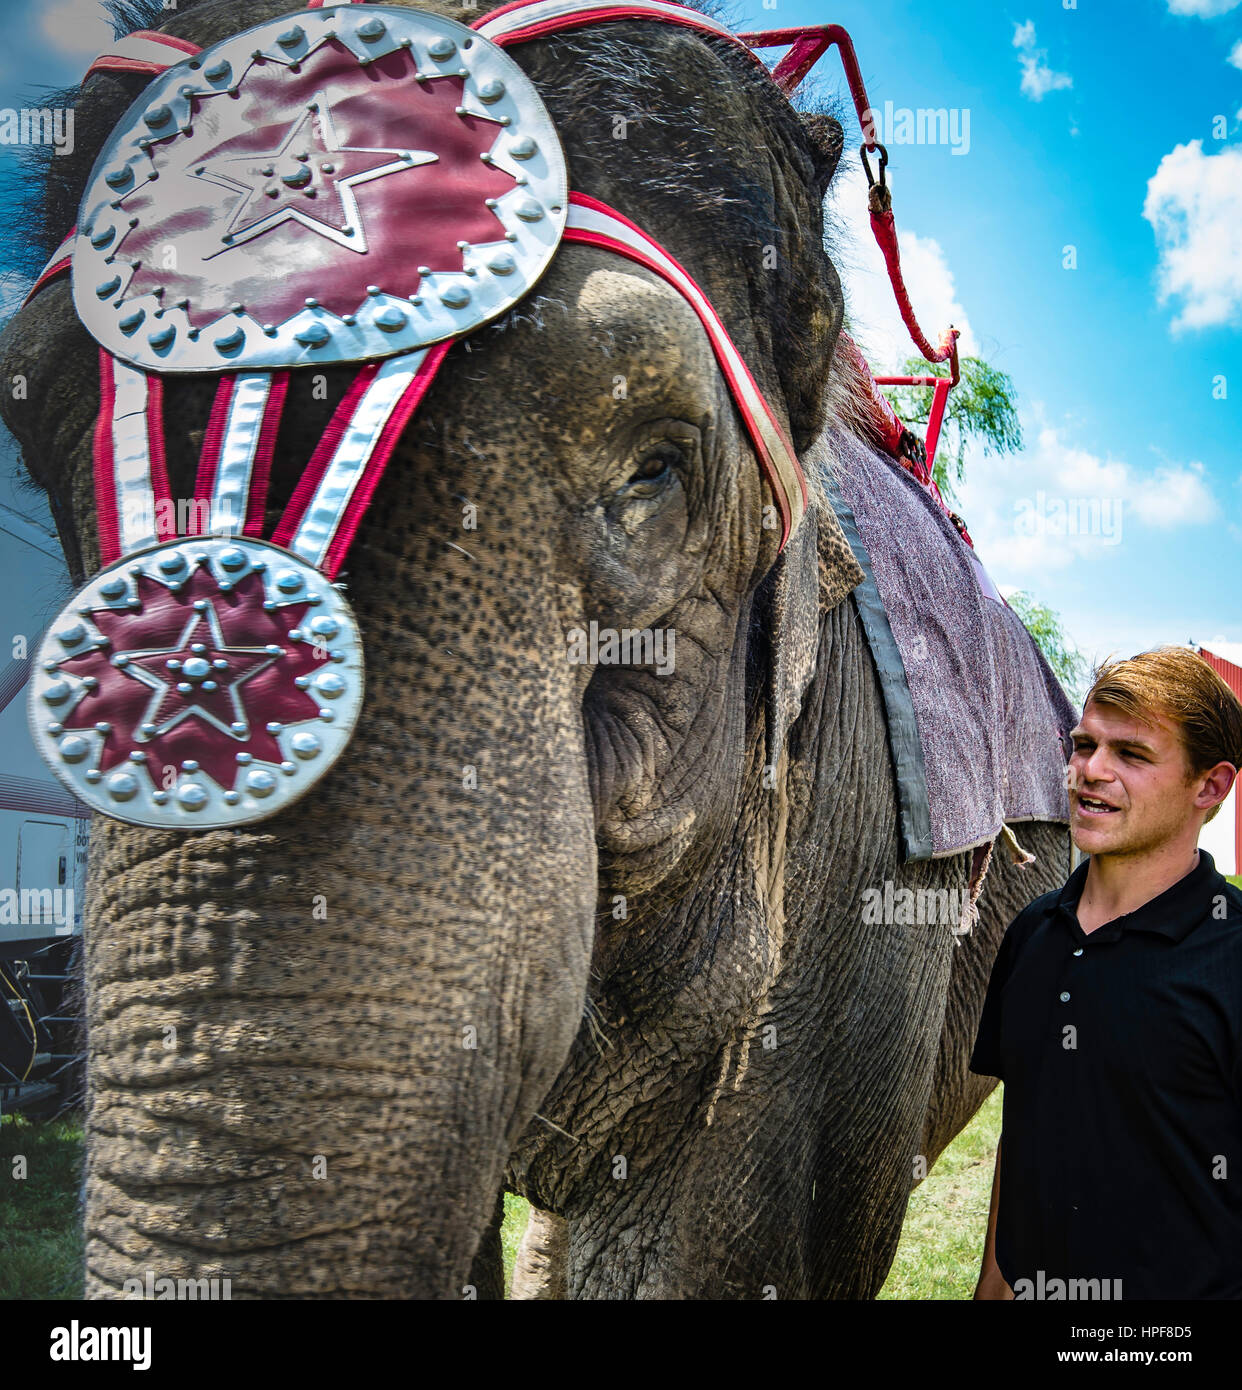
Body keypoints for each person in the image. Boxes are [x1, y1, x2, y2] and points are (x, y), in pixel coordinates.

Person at [971, 645, 1242, 1300]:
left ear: (1210, 786)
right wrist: (992, 1285)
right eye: (1084, 745)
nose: (1089, 771)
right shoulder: (1033, 933)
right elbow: (1026, 1124)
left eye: (1131, 754)